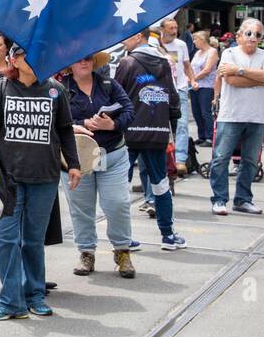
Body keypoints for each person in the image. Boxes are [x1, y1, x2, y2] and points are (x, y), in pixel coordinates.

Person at [0, 45, 80, 318]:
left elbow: (64, 130)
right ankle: (11, 302)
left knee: (33, 240)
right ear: (14, 59)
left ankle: (35, 294)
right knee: (7, 239)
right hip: (9, 179)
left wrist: (73, 164)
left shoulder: (55, 90)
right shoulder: (1, 88)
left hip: (45, 176)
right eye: (27, 54)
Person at [62, 52, 137, 278]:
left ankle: (122, 251)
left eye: (87, 58)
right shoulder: (60, 89)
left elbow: (130, 110)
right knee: (81, 209)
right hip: (77, 160)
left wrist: (112, 124)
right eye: (78, 58)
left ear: (94, 62)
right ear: (70, 64)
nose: (83, 62)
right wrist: (80, 124)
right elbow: (54, 120)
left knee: (118, 204)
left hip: (112, 155)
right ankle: (86, 252)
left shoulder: (108, 84)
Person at [115, 30, 184, 249]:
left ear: (139, 38)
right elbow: (173, 99)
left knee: (119, 187)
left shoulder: (126, 63)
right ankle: (168, 235)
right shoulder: (165, 63)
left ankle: (123, 238)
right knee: (160, 184)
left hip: (130, 132)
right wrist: (167, 125)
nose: (123, 39)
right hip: (157, 132)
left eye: (127, 36)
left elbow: (116, 97)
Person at [210, 18, 264, 217]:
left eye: (257, 35)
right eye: (249, 34)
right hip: (231, 114)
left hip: (257, 116)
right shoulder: (229, 53)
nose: (253, 38)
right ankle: (219, 199)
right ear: (240, 36)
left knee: (250, 161)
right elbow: (230, 80)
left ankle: (243, 200)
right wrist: (257, 80)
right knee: (221, 158)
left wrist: (240, 71)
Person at [160, 18, 196, 173]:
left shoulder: (181, 45)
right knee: (161, 126)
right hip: (160, 90)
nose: (174, 31)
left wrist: (192, 80)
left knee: (182, 124)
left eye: (175, 27)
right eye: (170, 28)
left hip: (179, 88)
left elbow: (187, 65)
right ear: (163, 29)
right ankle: (163, 157)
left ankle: (180, 159)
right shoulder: (154, 46)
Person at [190, 30, 219, 146]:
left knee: (205, 112)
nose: (194, 42)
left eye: (195, 39)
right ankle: (201, 135)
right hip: (195, 86)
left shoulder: (212, 52)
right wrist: (191, 79)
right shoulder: (197, 53)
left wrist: (193, 79)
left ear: (202, 40)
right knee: (196, 112)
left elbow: (207, 70)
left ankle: (210, 137)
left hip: (206, 86)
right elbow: (191, 67)